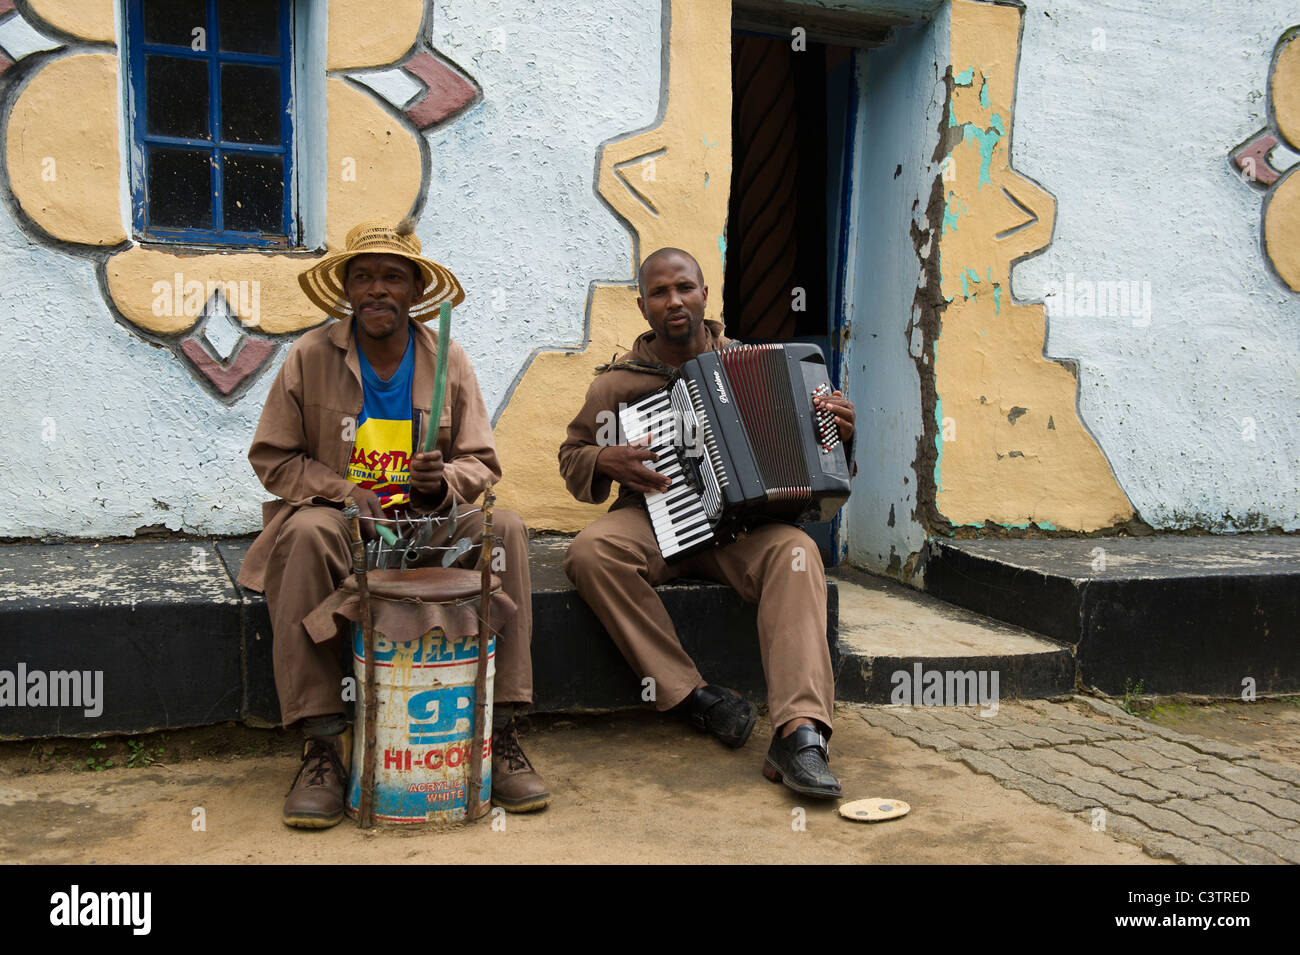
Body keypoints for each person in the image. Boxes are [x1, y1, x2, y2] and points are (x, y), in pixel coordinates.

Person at [237, 220, 549, 828]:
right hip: (345, 530)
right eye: (364, 276)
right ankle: (322, 744)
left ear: (414, 291)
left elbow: (482, 463)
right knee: (303, 535)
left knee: (505, 528)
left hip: (429, 529)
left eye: (392, 277)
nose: (377, 289)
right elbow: (273, 458)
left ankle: (501, 731)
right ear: (347, 289)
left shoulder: (448, 358)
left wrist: (445, 482)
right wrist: (344, 490)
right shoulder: (309, 356)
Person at [558, 247, 856, 798]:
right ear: (643, 306)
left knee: (797, 553)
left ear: (703, 294)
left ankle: (800, 734)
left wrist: (840, 433)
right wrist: (604, 459)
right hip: (653, 517)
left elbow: (819, 459)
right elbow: (571, 456)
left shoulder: (755, 361)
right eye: (659, 293)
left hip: (740, 530)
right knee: (590, 553)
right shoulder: (617, 385)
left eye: (684, 288)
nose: (674, 301)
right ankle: (693, 696)